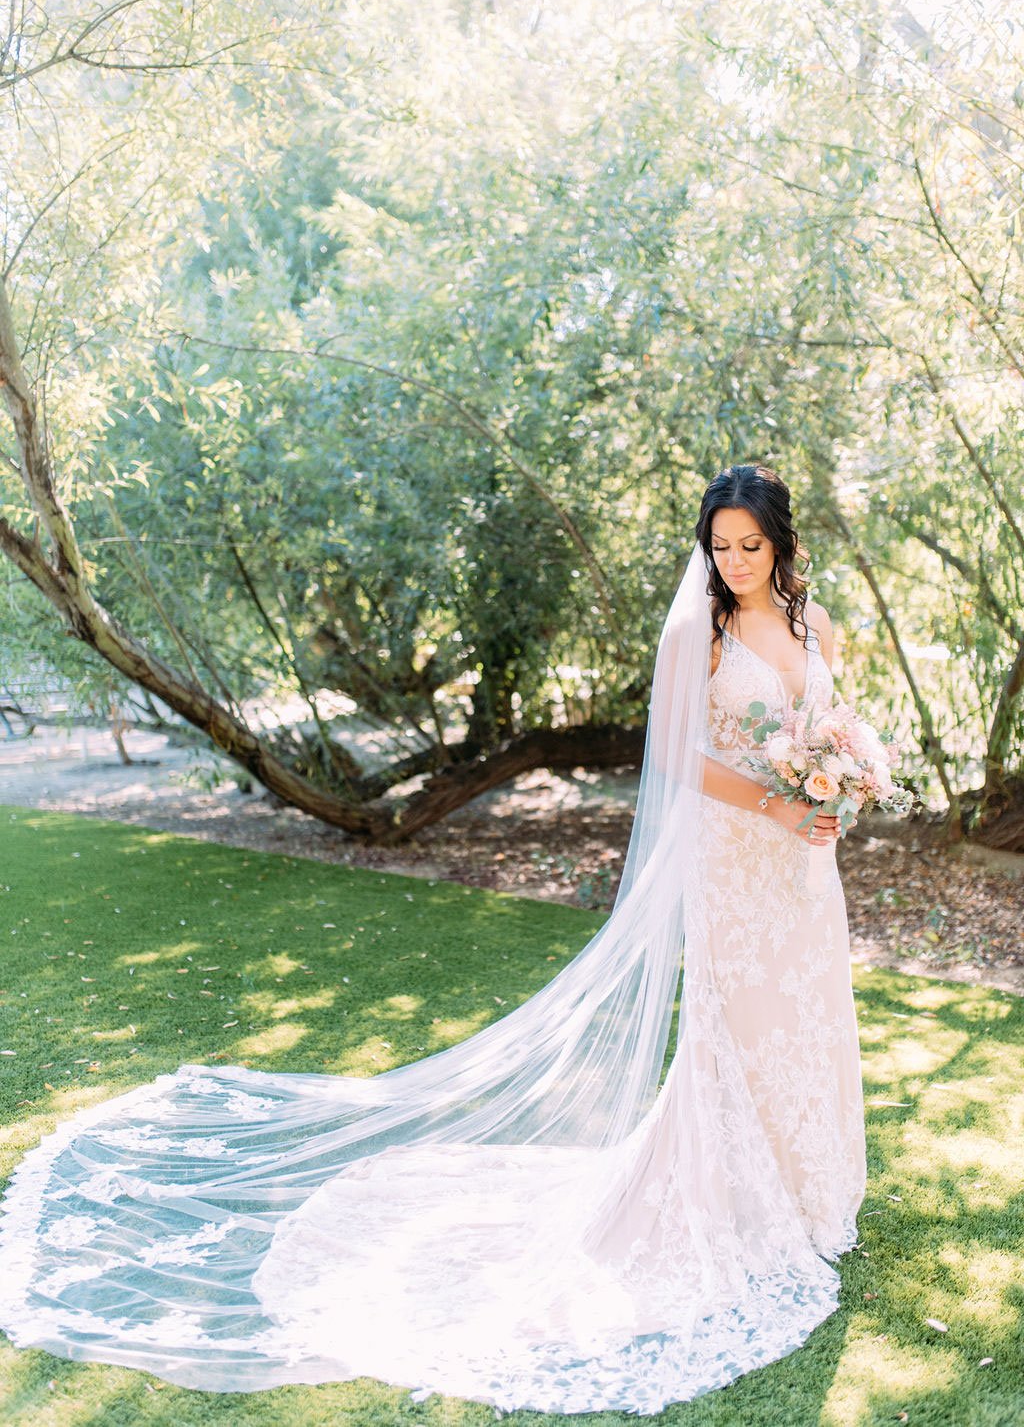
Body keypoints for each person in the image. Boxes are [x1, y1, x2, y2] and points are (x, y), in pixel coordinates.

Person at [0, 464, 866, 1415]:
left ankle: (809, 1192)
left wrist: (831, 800)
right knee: (738, 1027)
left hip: (803, 865)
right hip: (736, 861)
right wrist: (779, 806)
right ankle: (743, 1205)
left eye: (750, 545)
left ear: (781, 540)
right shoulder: (698, 632)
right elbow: (683, 758)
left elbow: (832, 729)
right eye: (720, 546)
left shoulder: (815, 623)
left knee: (808, 1011)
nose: (734, 562)